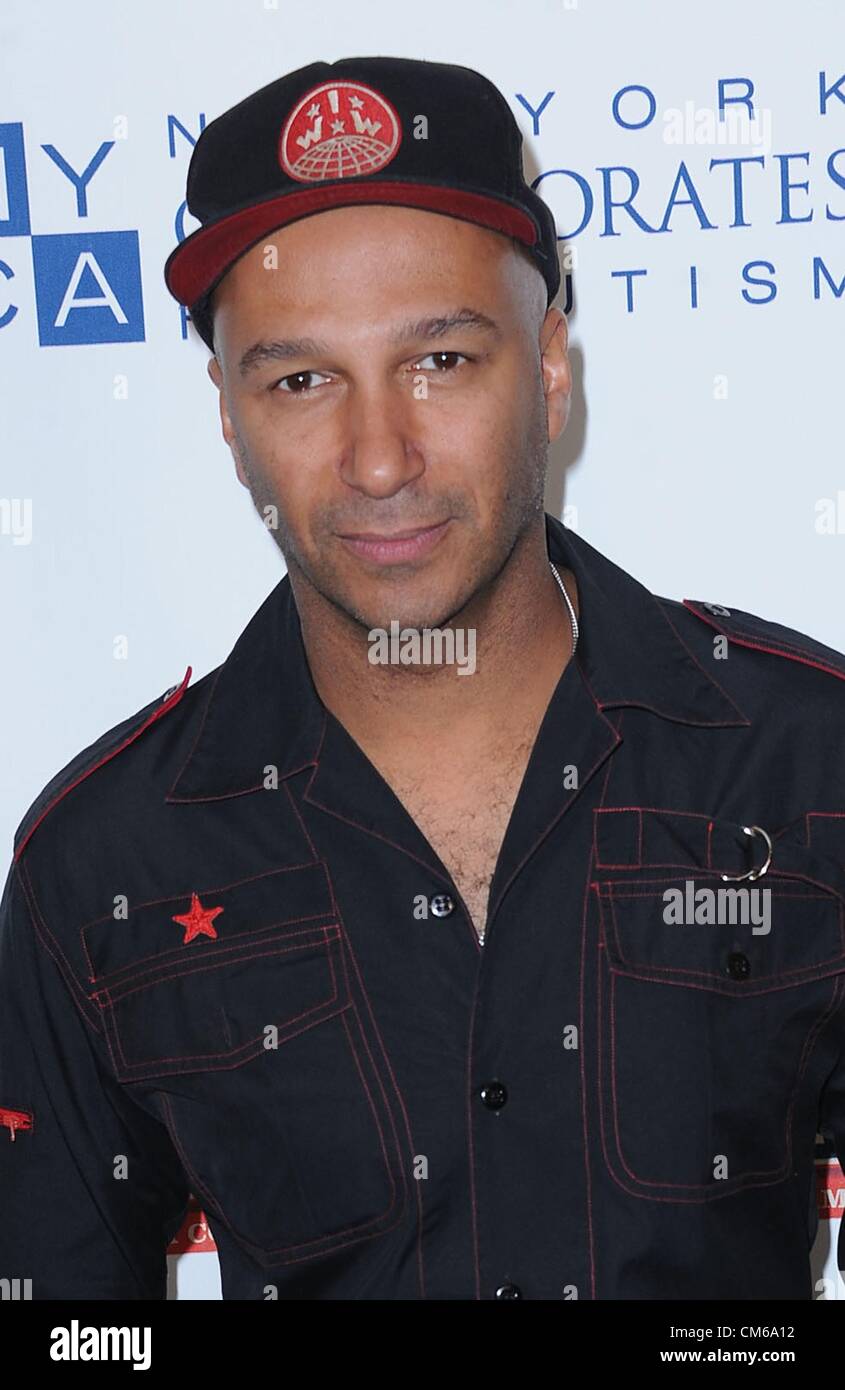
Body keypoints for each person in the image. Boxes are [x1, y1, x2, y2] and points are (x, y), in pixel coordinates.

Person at [1, 54, 844, 1301]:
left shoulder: (806, 760)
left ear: (548, 370)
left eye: (441, 360)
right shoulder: (100, 864)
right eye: (299, 380)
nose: (379, 458)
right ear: (229, 422)